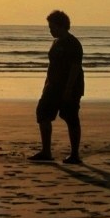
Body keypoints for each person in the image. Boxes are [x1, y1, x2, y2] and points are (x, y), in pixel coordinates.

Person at [32, 9, 84, 164]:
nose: (50, 30)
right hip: (53, 86)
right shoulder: (56, 42)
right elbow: (52, 66)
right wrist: (46, 84)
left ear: (61, 26)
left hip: (70, 87)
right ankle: (46, 151)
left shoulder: (73, 44)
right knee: (42, 113)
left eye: (52, 27)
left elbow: (75, 68)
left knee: (71, 117)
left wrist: (68, 89)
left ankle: (75, 154)